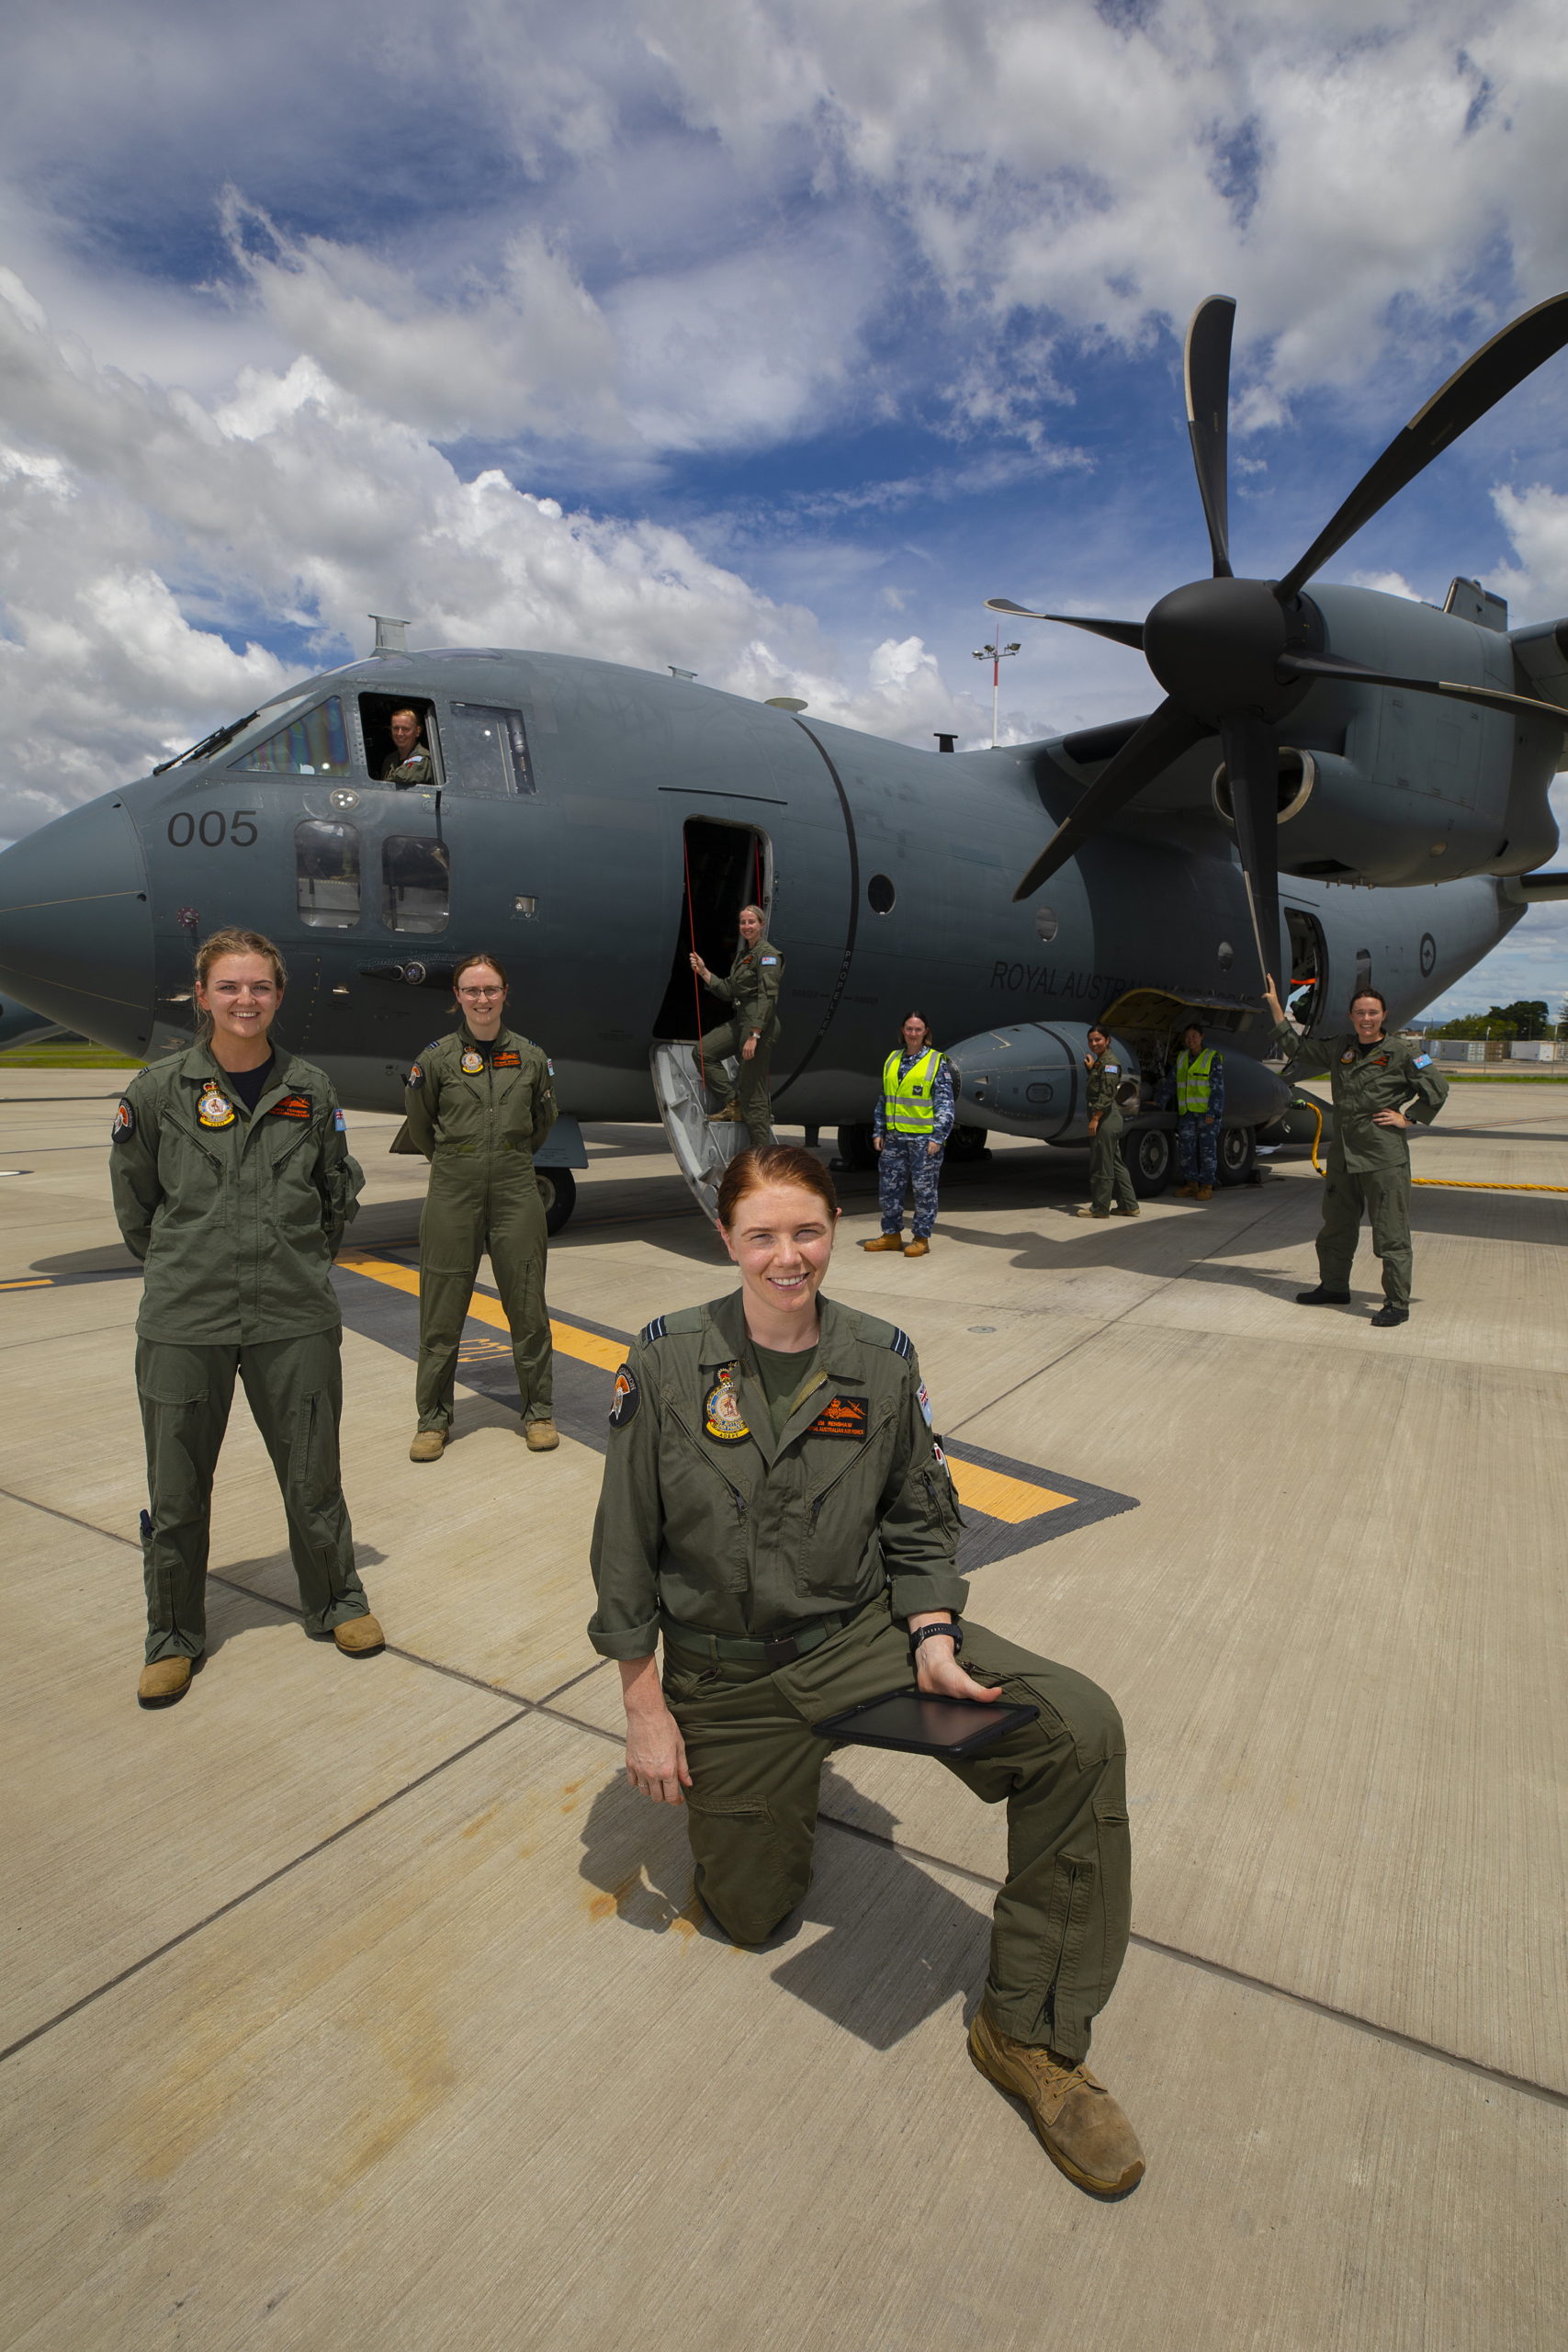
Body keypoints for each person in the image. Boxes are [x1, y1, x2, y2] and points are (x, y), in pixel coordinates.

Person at [589, 1144, 1143, 2199]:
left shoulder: (882, 1359)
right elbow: (624, 1542)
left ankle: (1030, 2033)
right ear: (728, 1239)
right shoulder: (664, 1361)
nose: (787, 1256)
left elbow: (920, 1514)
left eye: (806, 1231)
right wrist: (643, 1700)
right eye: (763, 1234)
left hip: (860, 1641)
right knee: (752, 1916)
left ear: (833, 1230)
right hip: (726, 1673)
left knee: (1079, 1727)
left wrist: (932, 1631)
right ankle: (764, 1798)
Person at [109, 928, 382, 1708]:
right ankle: (172, 1636)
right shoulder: (158, 1091)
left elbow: (336, 1195)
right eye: (228, 987)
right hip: (184, 1315)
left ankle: (336, 1601)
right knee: (177, 1489)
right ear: (201, 997)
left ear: (278, 996)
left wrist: (294, 1262)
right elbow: (136, 1207)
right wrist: (185, 1262)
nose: (244, 1000)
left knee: (312, 1472)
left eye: (258, 987)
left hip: (291, 1312)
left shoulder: (310, 1089)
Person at [401, 953, 559, 1458]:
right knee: (441, 1312)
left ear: (505, 994)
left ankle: (538, 1413)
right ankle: (432, 1421)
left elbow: (542, 1121)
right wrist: (460, 1161)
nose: (482, 999)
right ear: (458, 997)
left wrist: (505, 1158)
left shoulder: (532, 1058)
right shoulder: (435, 1061)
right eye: (472, 991)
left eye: (491, 989)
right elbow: (422, 1128)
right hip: (452, 1191)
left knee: (528, 1306)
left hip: (516, 1189)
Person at [1263, 975, 1449, 1327]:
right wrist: (1275, 1008)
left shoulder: (1403, 1052)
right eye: (1360, 1013)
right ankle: (1334, 1287)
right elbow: (1298, 1049)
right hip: (1344, 1155)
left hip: (1382, 1155)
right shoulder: (1341, 1049)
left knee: (1390, 1231)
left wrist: (1408, 1117)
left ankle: (1396, 1302)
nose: (1366, 1019)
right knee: (1336, 1225)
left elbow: (1437, 1089)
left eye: (1373, 1013)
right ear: (1351, 1017)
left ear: (1384, 1015)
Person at [687, 904, 783, 1149]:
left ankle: (761, 1155)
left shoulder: (768, 955)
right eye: (743, 922)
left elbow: (768, 997)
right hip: (741, 1018)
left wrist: (755, 1034)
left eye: (752, 922)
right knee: (703, 1052)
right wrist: (703, 971)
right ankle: (733, 1104)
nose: (747, 926)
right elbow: (729, 990)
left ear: (761, 925)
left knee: (753, 1090)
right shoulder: (744, 956)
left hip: (759, 1022)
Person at [862, 1010, 955, 1258]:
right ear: (902, 1031)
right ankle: (891, 1235)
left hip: (924, 1140)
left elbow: (945, 1105)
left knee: (924, 1191)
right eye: (909, 1029)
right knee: (889, 1188)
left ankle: (921, 1238)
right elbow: (884, 1098)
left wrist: (939, 1137)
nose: (913, 1033)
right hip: (894, 1138)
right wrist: (878, 1129)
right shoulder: (893, 1059)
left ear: (926, 1033)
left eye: (918, 1029)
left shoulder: (937, 1062)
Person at [1074, 1023, 1139, 1219]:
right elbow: (1100, 1083)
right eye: (1091, 1040)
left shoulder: (1110, 1063)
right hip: (1108, 1118)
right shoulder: (1102, 1063)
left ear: (1107, 1040)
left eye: (1098, 1040)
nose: (1094, 1043)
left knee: (1102, 1164)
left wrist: (1095, 1118)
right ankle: (1129, 1205)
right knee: (1115, 1163)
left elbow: (1108, 1092)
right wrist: (1092, 1068)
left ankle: (1100, 1207)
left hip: (1105, 1119)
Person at [1167, 1019, 1224, 1201]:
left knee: (1207, 1150)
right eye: (1187, 1037)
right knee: (1186, 1149)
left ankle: (1207, 1185)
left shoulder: (1212, 1057)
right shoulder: (1182, 1057)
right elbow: (1171, 1083)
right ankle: (1191, 1184)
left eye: (1194, 1036)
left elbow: (1217, 1088)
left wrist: (1212, 1113)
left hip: (1205, 1114)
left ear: (1201, 1037)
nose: (1190, 1040)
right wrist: (1159, 1101)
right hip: (1187, 1113)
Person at [381, 707, 435, 787]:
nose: (399, 733)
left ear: (418, 731)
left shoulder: (423, 758)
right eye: (396, 728)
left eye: (405, 729)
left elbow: (403, 778)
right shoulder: (390, 760)